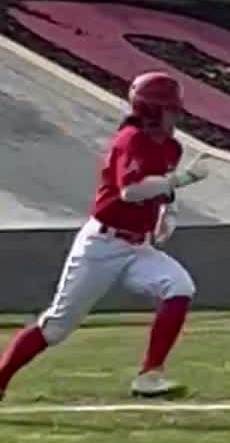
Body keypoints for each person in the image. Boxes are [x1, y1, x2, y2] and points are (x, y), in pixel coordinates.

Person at [0, 71, 204, 403]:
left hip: (137, 245)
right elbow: (131, 191)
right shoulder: (131, 140)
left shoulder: (171, 146)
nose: (176, 116)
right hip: (103, 244)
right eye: (170, 110)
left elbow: (160, 188)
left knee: (179, 286)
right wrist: (182, 180)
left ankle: (150, 375)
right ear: (151, 110)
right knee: (56, 326)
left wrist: (170, 210)